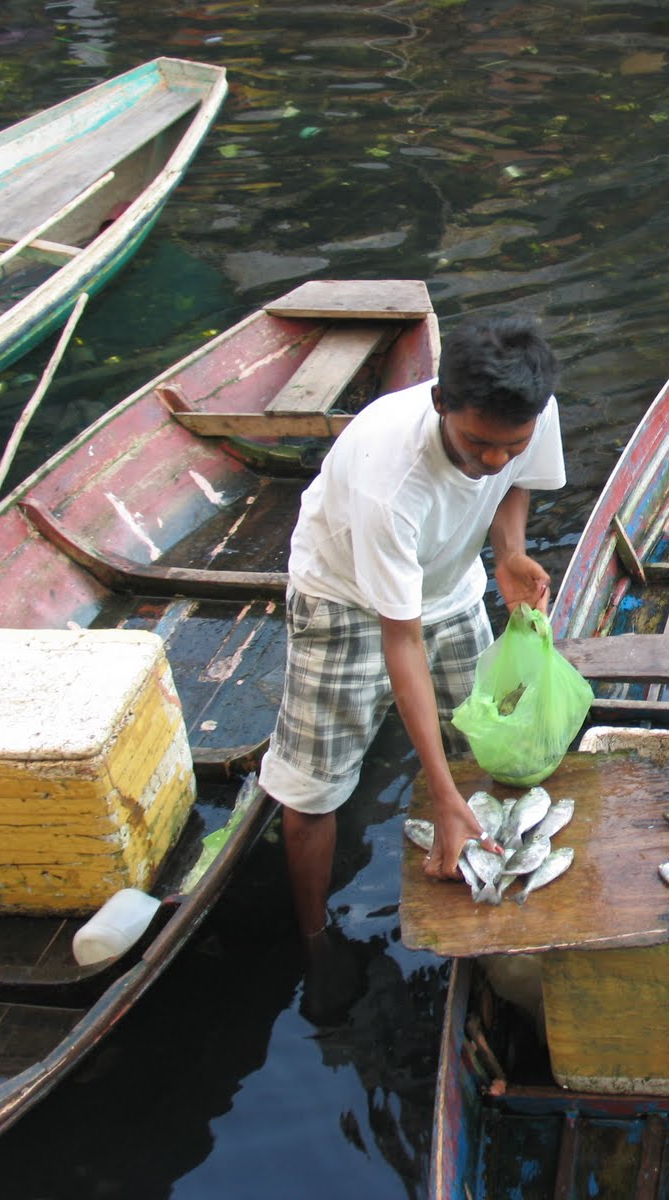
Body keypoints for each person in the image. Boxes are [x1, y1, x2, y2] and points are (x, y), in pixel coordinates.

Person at [258, 313, 566, 976]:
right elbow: (402, 644)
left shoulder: (527, 412)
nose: (492, 459)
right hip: (342, 595)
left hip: (450, 580)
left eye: (508, 445)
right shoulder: (390, 480)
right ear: (440, 402)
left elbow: (517, 479)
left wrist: (509, 551)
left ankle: (477, 870)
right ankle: (314, 941)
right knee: (313, 792)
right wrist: (440, 792)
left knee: (484, 741)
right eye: (478, 443)